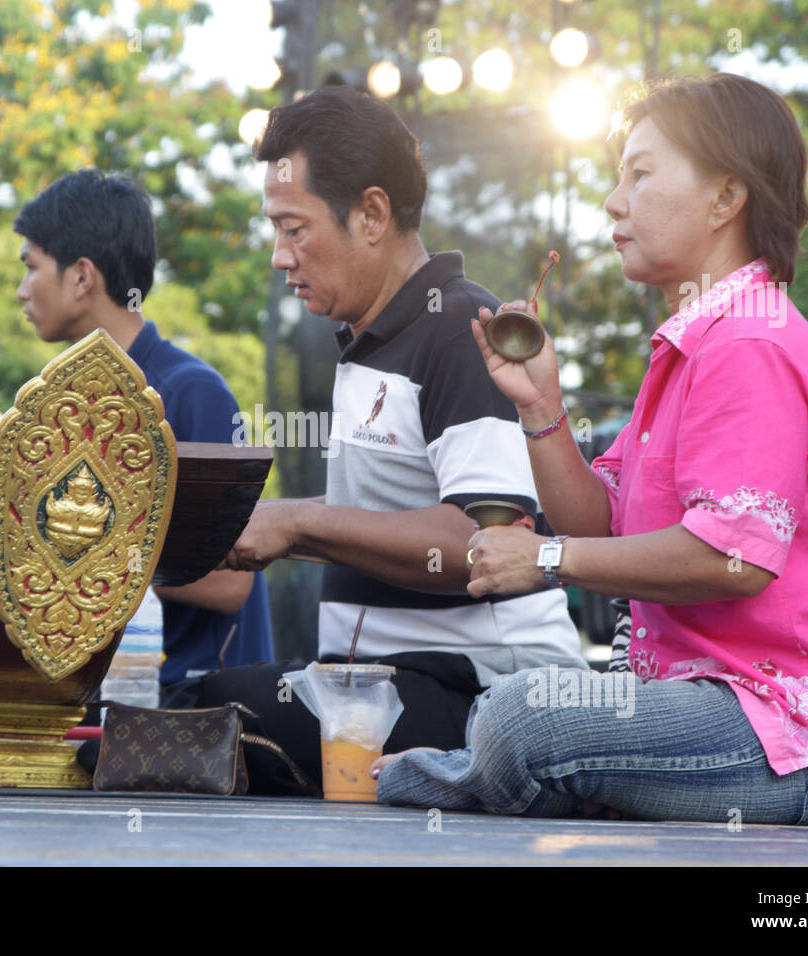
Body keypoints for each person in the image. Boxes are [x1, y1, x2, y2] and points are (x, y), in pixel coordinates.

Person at [373, 73, 808, 828]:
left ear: (727, 198)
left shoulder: (748, 343)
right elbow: (600, 525)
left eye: (640, 173)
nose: (613, 201)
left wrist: (545, 561)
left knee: (526, 716)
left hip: (792, 733)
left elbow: (733, 559)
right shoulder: (700, 345)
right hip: (728, 711)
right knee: (533, 713)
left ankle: (462, 773)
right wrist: (541, 407)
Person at [205, 85, 583, 793]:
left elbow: (479, 544)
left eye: (294, 228)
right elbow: (376, 518)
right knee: (200, 705)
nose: (280, 257)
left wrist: (297, 521)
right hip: (383, 687)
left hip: (492, 697)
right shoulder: (369, 339)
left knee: (206, 715)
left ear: (372, 214)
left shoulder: (460, 330)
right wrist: (281, 525)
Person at [12, 169, 273, 692]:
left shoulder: (189, 391)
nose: (22, 291)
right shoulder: (63, 406)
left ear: (82, 277)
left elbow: (229, 584)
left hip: (193, 708)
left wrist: (55, 552)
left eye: (31, 268)